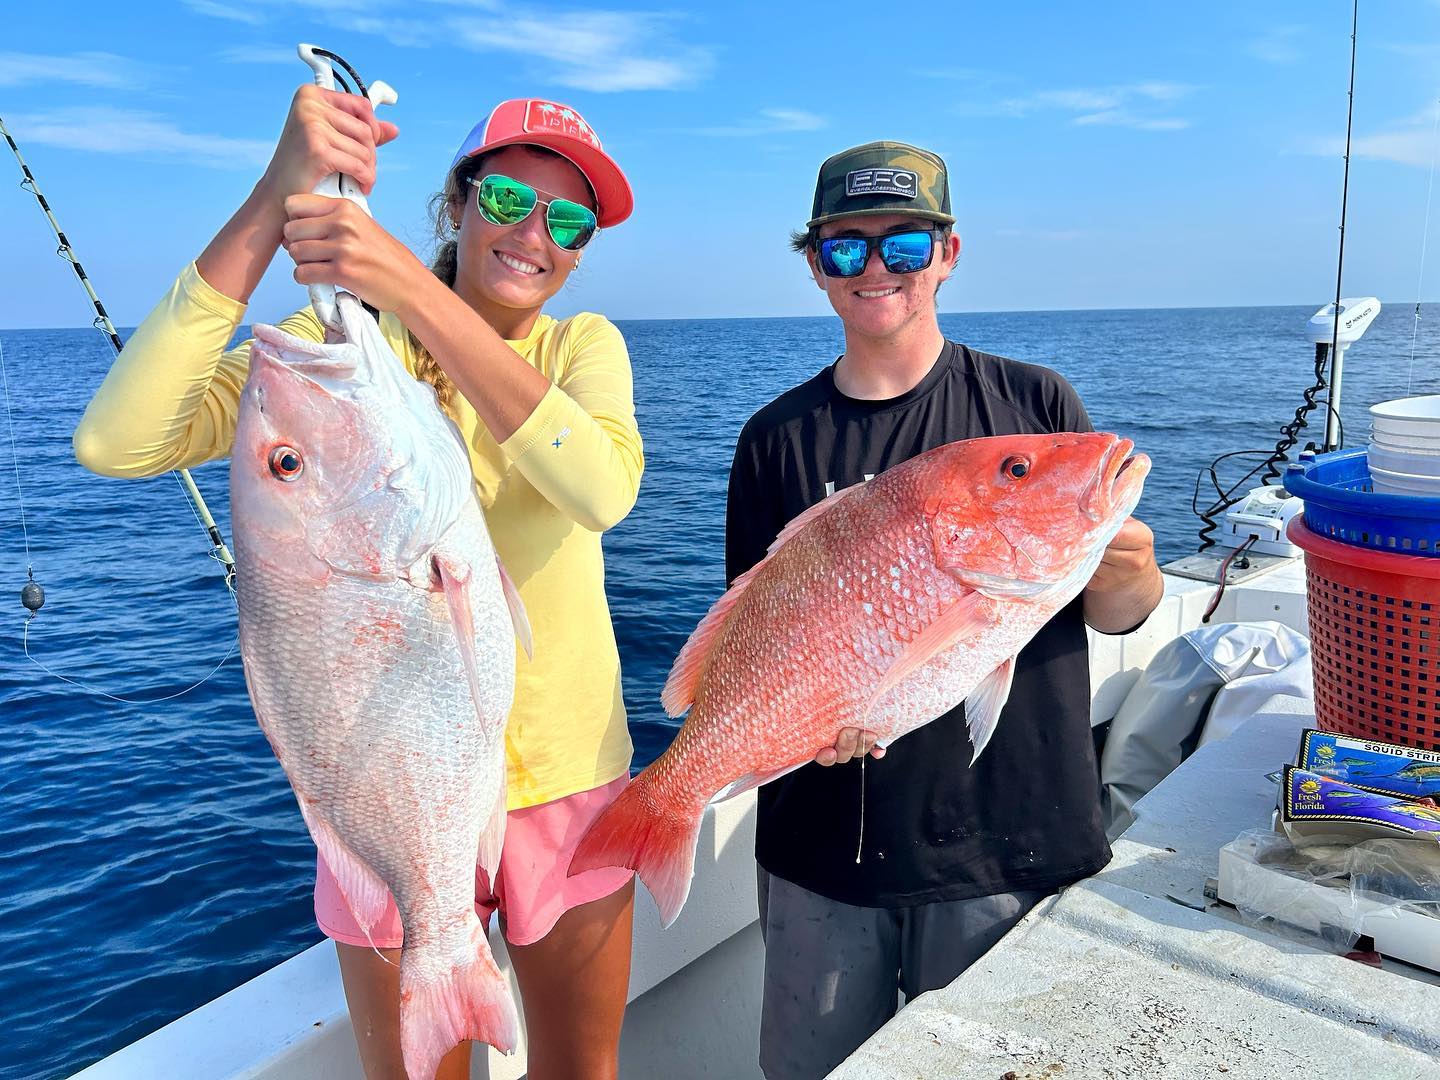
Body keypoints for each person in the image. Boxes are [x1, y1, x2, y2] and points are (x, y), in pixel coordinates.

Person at [73, 86, 643, 1080]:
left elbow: (598, 488)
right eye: (510, 201)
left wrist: (417, 294)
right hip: (391, 803)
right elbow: (118, 441)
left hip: (569, 782)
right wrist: (272, 200)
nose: (535, 236)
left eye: (570, 220)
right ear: (456, 204)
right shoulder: (343, 351)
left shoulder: (577, 348)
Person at [725, 141, 1164, 1080]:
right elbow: (752, 635)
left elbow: (1122, 617)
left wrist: (1127, 566)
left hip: (1010, 839)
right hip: (823, 844)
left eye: (905, 245)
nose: (876, 269)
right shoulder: (774, 439)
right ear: (815, 265)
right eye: (846, 248)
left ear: (949, 253)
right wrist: (805, 727)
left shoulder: (1034, 407)